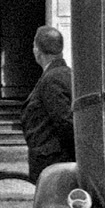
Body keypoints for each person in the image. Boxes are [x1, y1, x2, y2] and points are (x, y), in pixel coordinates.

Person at [20, 25, 75, 182]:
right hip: (54, 159)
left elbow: (64, 122)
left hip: (52, 163)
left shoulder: (52, 79)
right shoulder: (65, 74)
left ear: (37, 50)